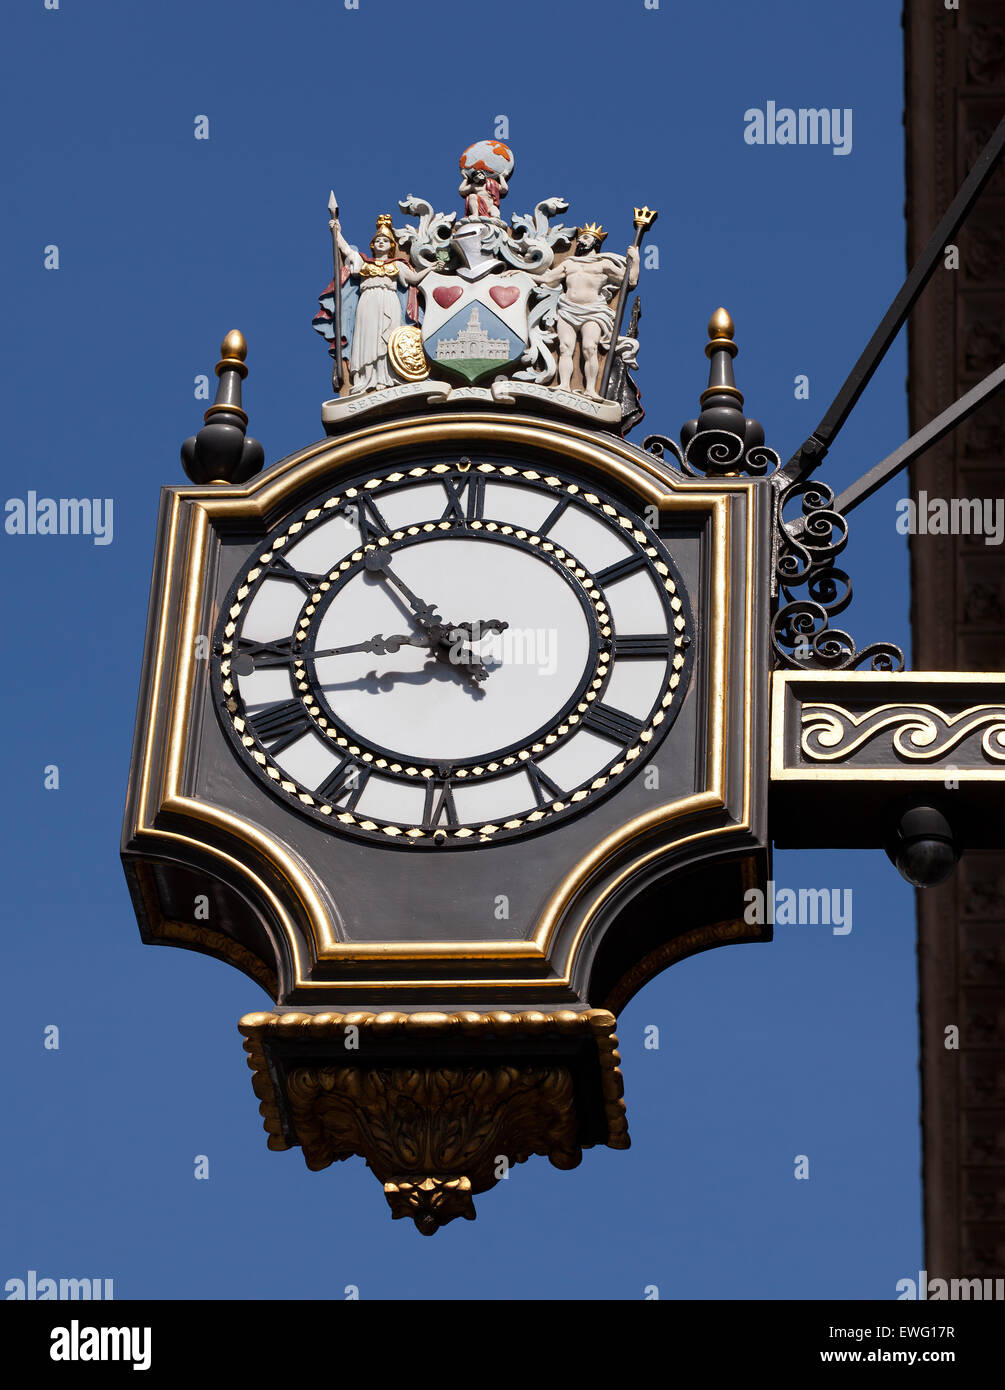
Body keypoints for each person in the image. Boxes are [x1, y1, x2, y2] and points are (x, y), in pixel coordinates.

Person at [531, 224, 639, 397]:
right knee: (565, 347)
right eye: (580, 238)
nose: (581, 241)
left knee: (590, 348)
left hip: (594, 311)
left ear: (595, 242)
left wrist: (636, 260)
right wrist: (520, 274)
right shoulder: (569, 263)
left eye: (586, 238)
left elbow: (630, 281)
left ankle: (590, 390)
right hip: (567, 308)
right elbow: (547, 278)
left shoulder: (604, 264)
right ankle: (564, 385)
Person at [331, 215, 435, 393]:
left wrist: (432, 268)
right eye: (378, 240)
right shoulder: (363, 262)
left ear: (391, 246)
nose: (381, 243)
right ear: (373, 245)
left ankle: (385, 378)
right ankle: (365, 379)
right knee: (367, 338)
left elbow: (415, 279)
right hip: (368, 302)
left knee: (386, 339)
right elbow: (346, 250)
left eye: (385, 241)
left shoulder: (398, 265)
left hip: (388, 301)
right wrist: (336, 231)